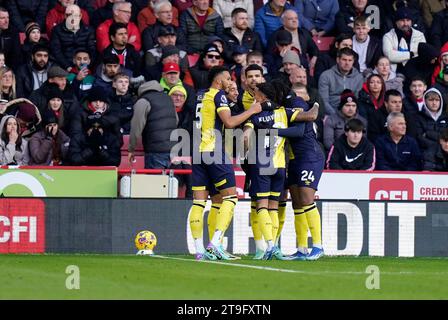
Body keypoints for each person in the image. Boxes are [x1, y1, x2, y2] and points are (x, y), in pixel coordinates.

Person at [189, 66, 261, 261]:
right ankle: (215, 243)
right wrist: (253, 110)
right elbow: (229, 122)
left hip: (197, 152)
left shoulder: (199, 95)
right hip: (214, 150)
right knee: (231, 197)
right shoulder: (218, 95)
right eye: (228, 78)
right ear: (219, 81)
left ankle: (199, 250)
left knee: (205, 201)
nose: (231, 82)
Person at [274, 82, 323, 260]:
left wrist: (274, 131)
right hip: (295, 159)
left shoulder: (296, 103)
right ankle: (302, 249)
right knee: (297, 204)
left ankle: (317, 246)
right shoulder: (285, 106)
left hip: (309, 157)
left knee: (307, 199)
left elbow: (299, 131)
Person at [128, 80, 177, 169]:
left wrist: (131, 149)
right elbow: (176, 120)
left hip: (155, 151)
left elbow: (136, 127)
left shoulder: (143, 101)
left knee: (155, 181)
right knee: (170, 181)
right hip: (173, 149)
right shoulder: (168, 99)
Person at [68, 87, 121, 166]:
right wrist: (90, 146)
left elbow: (118, 140)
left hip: (106, 149)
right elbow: (76, 135)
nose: (98, 104)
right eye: (95, 101)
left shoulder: (112, 114)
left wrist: (101, 148)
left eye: (101, 101)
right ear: (90, 101)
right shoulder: (80, 113)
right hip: (84, 148)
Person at [50, 4, 96, 70]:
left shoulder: (89, 30)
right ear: (65, 16)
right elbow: (56, 51)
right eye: (69, 15)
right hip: (64, 67)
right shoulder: (57, 30)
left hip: (85, 65)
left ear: (80, 16)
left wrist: (88, 67)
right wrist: (67, 67)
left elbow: (92, 51)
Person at [318, 47, 363, 115]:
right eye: (344, 60)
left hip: (351, 114)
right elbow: (324, 101)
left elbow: (357, 100)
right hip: (331, 113)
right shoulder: (326, 76)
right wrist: (336, 116)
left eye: (350, 60)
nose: (347, 63)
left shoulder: (359, 77)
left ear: (353, 61)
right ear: (338, 60)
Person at [382, 6, 426, 73]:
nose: (405, 24)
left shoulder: (419, 35)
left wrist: (397, 54)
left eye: (408, 20)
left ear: (411, 22)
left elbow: (423, 54)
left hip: (415, 71)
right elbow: (389, 56)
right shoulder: (388, 36)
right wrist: (411, 54)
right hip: (395, 72)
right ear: (396, 22)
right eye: (402, 20)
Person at [416, 88, 448, 152]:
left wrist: (427, 133)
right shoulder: (419, 117)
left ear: (441, 101)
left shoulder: (446, 117)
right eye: (431, 100)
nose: (434, 103)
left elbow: (446, 137)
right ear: (425, 101)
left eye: (437, 100)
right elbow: (419, 138)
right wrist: (437, 144)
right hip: (426, 153)